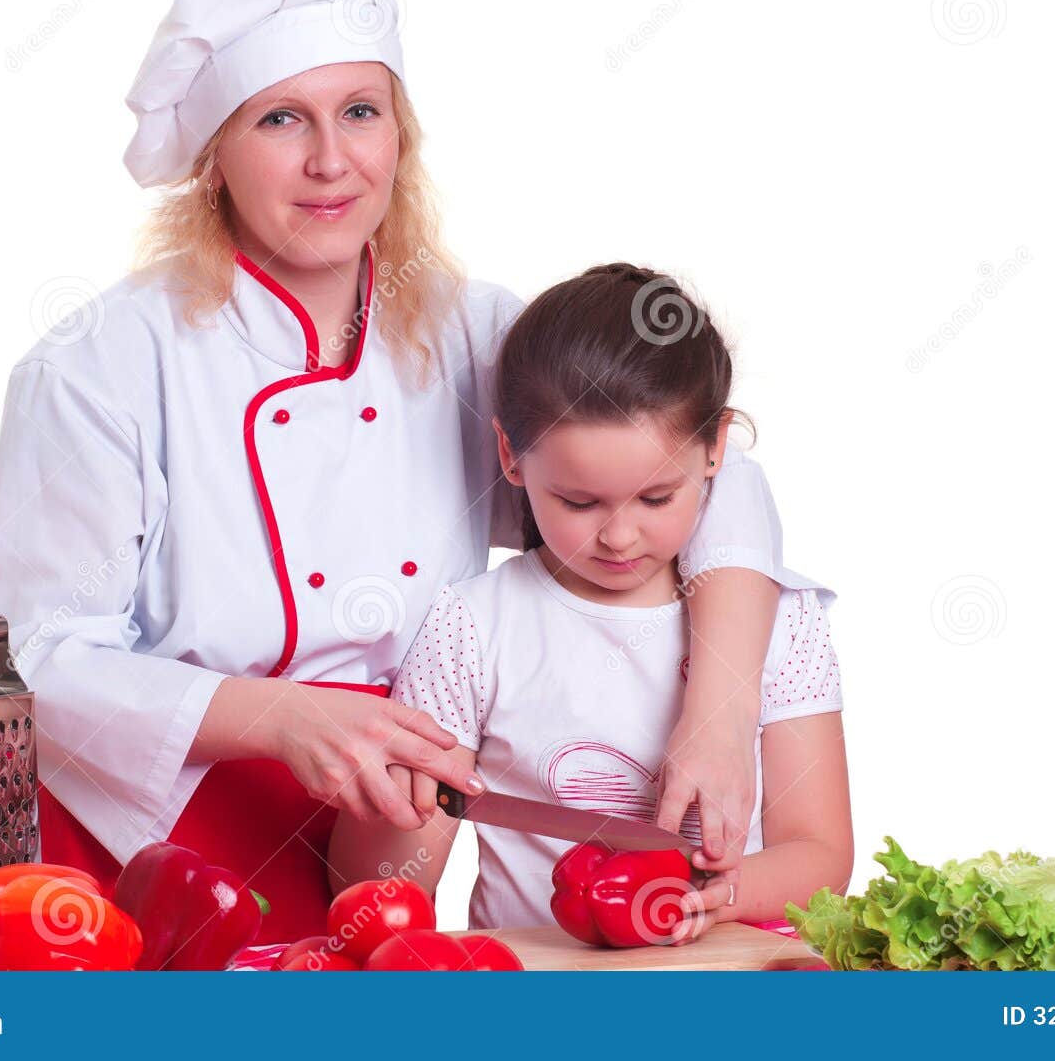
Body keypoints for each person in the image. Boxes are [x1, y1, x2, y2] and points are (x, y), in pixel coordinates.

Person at [0, 0, 798, 943]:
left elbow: (698, 464)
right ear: (215, 155)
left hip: (382, 831)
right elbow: (28, 660)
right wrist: (282, 717)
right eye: (279, 119)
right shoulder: (102, 364)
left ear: (400, 135)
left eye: (360, 112)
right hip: (138, 846)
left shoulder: (471, 332)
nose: (329, 161)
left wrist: (716, 720)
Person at [329, 263, 853, 941]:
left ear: (717, 448)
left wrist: (725, 894)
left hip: (727, 978)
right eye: (577, 501)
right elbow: (378, 889)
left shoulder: (779, 621)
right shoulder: (472, 623)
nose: (619, 534)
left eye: (658, 496)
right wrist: (394, 807)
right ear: (511, 458)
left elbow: (822, 852)